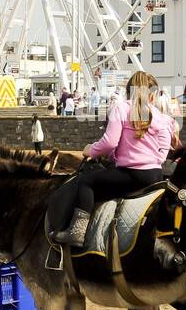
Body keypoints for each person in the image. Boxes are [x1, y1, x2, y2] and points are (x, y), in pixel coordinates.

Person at [50, 70, 173, 249]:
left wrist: (90, 150)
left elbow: (109, 142)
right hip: (155, 175)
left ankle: (77, 231)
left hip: (131, 175)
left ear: (129, 92)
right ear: (152, 95)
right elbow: (163, 150)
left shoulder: (122, 108)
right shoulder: (161, 117)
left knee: (86, 181)